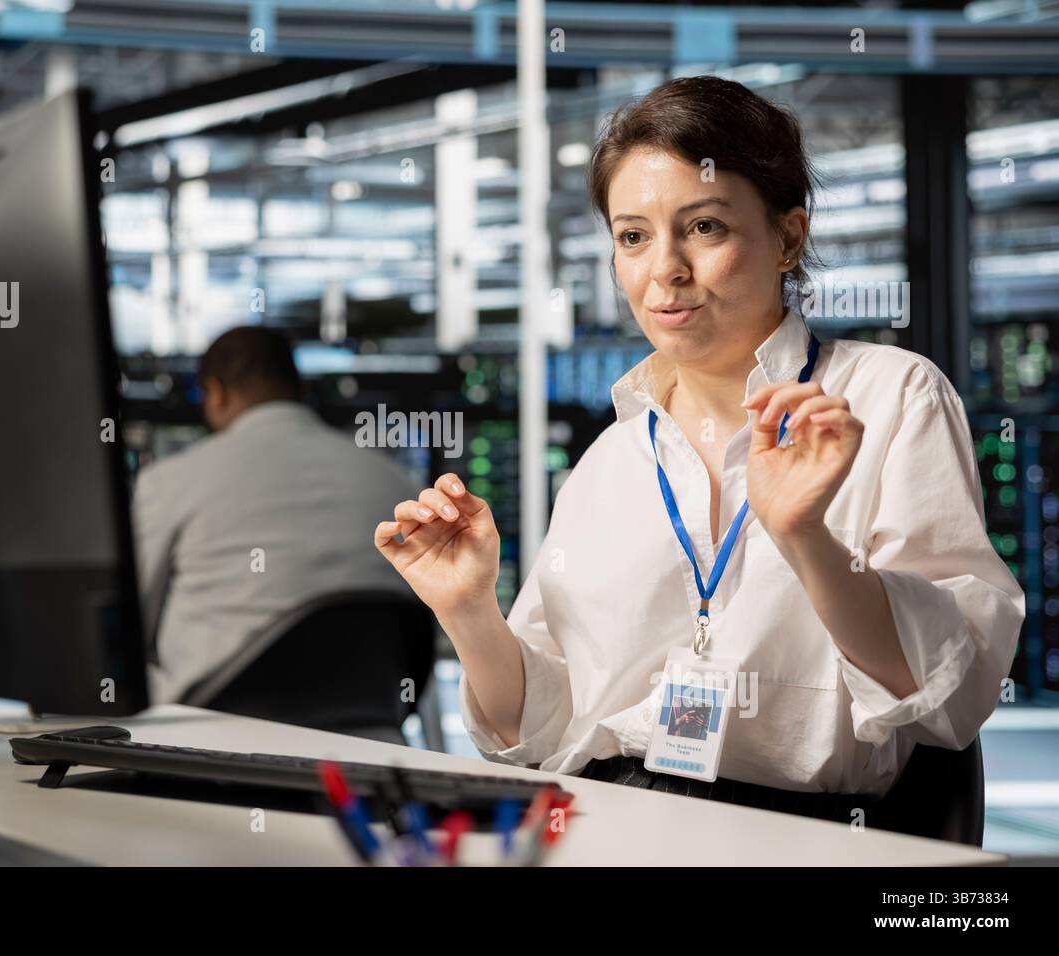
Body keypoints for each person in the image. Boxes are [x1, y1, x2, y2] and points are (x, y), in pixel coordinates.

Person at [374, 76, 1025, 825]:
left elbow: (951, 695)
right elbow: (537, 732)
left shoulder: (888, 397)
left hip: (807, 840)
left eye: (705, 227)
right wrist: (468, 614)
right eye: (633, 236)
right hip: (617, 823)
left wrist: (806, 539)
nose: (665, 271)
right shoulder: (612, 459)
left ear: (788, 237)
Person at [135, 325, 420, 705]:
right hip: (371, 731)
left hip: (209, 739)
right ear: (300, 390)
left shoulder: (170, 482)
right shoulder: (398, 483)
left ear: (215, 393)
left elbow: (127, 625)